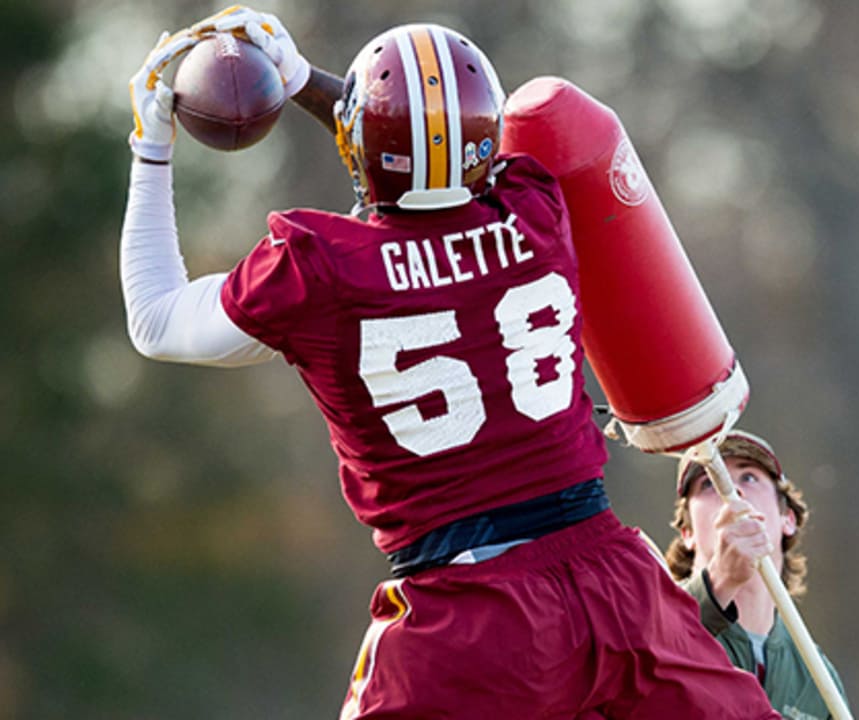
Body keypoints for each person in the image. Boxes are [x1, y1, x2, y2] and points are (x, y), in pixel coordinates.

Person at [122, 8, 782, 718]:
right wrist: (307, 80)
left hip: (471, 617)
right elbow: (439, 151)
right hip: (616, 585)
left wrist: (151, 142)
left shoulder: (320, 272)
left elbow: (155, 319)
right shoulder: (536, 212)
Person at [665, 430, 850, 719]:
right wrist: (717, 584)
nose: (731, 491)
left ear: (787, 519)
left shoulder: (815, 675)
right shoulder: (645, 624)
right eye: (708, 484)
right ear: (686, 533)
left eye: (748, 477)